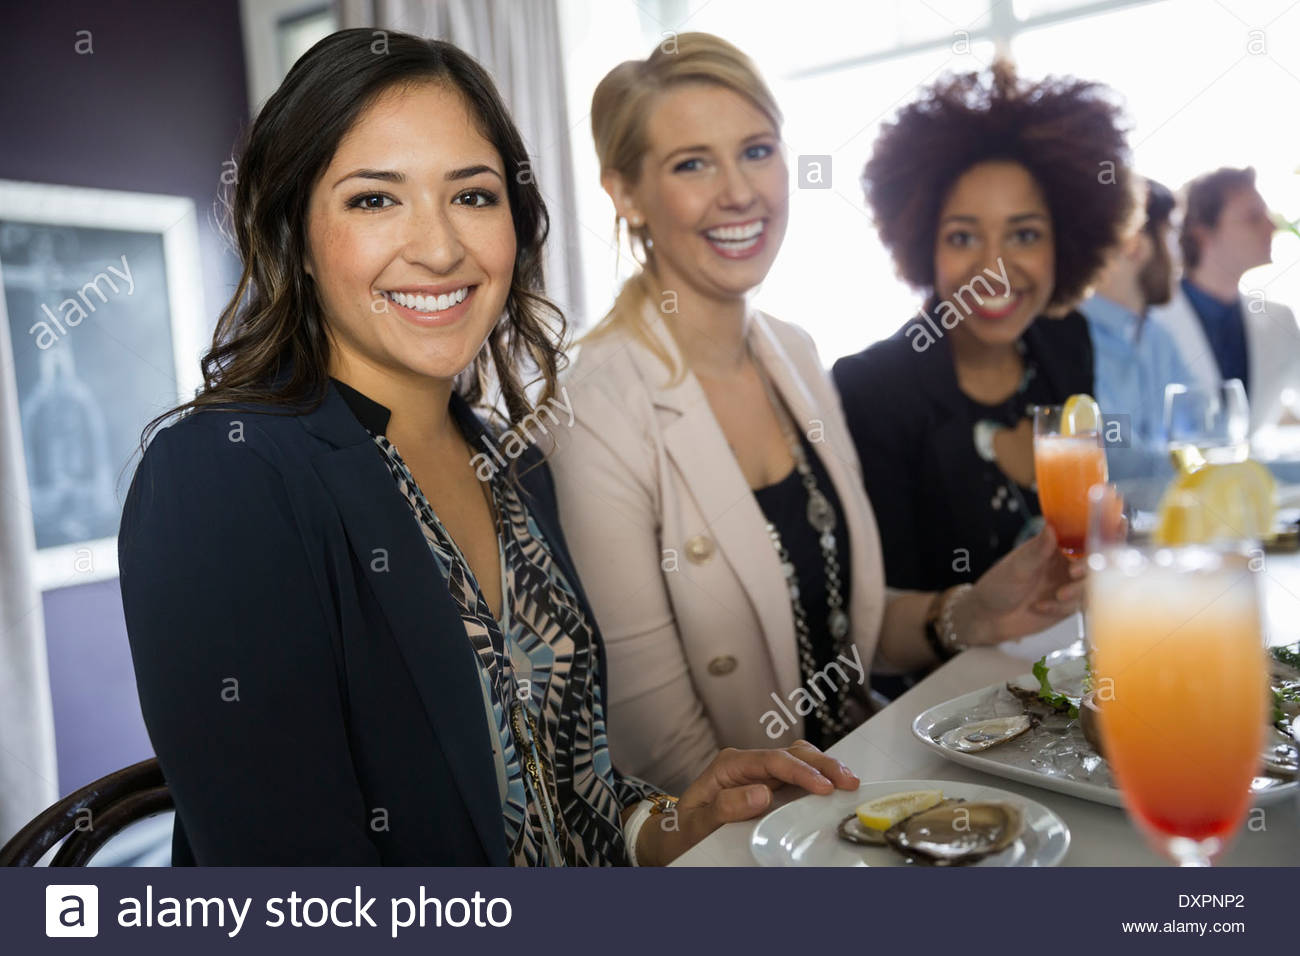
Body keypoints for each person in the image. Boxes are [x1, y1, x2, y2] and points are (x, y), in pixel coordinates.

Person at [116, 29, 861, 868]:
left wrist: (671, 822)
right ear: (294, 229)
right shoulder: (222, 476)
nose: (440, 249)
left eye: (472, 195)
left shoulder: (511, 463)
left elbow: (554, 792)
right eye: (374, 199)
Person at [545, 36, 1083, 794]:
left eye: (757, 151)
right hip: (756, 837)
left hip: (868, 767)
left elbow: (849, 638)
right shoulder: (591, 408)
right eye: (691, 164)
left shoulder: (793, 354)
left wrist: (977, 613)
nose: (739, 191)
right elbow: (669, 760)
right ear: (625, 194)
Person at [833, 62, 1132, 608]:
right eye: (963, 236)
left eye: (1024, 234)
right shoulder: (872, 388)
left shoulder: (1065, 341)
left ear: (1063, 244)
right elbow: (879, 614)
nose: (994, 269)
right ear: (924, 246)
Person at [1149, 166, 1300, 434]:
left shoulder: (1280, 319)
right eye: (1253, 217)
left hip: (1254, 475)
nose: (1272, 226)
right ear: (1201, 233)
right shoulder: (1151, 319)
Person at [1079, 177, 1193, 487]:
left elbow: (1207, 429)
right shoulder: (1072, 342)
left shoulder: (1158, 338)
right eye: (1172, 234)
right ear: (1134, 245)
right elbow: (1124, 467)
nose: (1181, 256)